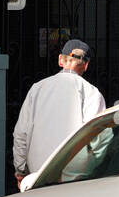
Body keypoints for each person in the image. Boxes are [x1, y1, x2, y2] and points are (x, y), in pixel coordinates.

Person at [13, 39, 107, 185]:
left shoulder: (37, 89)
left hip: (38, 173)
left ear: (60, 60)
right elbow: (98, 137)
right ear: (86, 65)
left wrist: (20, 170)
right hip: (75, 176)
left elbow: (21, 133)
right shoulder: (92, 93)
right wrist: (90, 168)